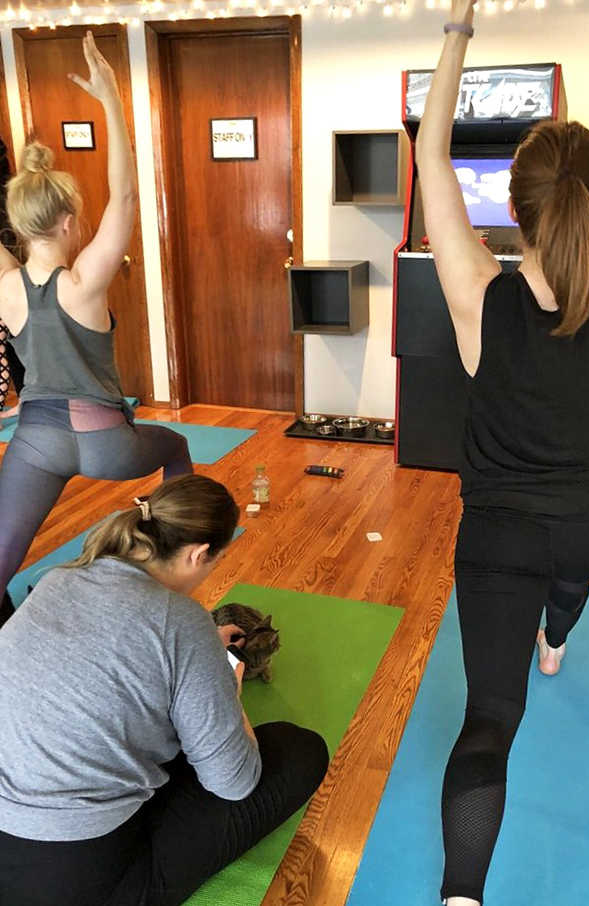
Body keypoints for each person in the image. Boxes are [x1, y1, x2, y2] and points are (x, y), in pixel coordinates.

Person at [416, 3, 589, 903]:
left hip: (501, 541)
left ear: (511, 206)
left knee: (488, 721)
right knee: (567, 565)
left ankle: (461, 897)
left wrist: (458, 31)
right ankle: (559, 631)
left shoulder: (474, 295)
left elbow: (429, 156)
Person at [0, 473, 329, 906]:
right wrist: (226, 691)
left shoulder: (59, 579)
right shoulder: (183, 621)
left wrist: (198, 654)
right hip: (86, 879)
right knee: (301, 750)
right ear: (199, 554)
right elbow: (234, 782)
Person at [0, 32, 192, 624]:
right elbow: (127, 195)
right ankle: (171, 565)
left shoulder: (5, 284)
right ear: (66, 222)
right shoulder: (83, 283)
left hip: (33, 442)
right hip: (107, 441)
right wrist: (111, 100)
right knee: (178, 446)